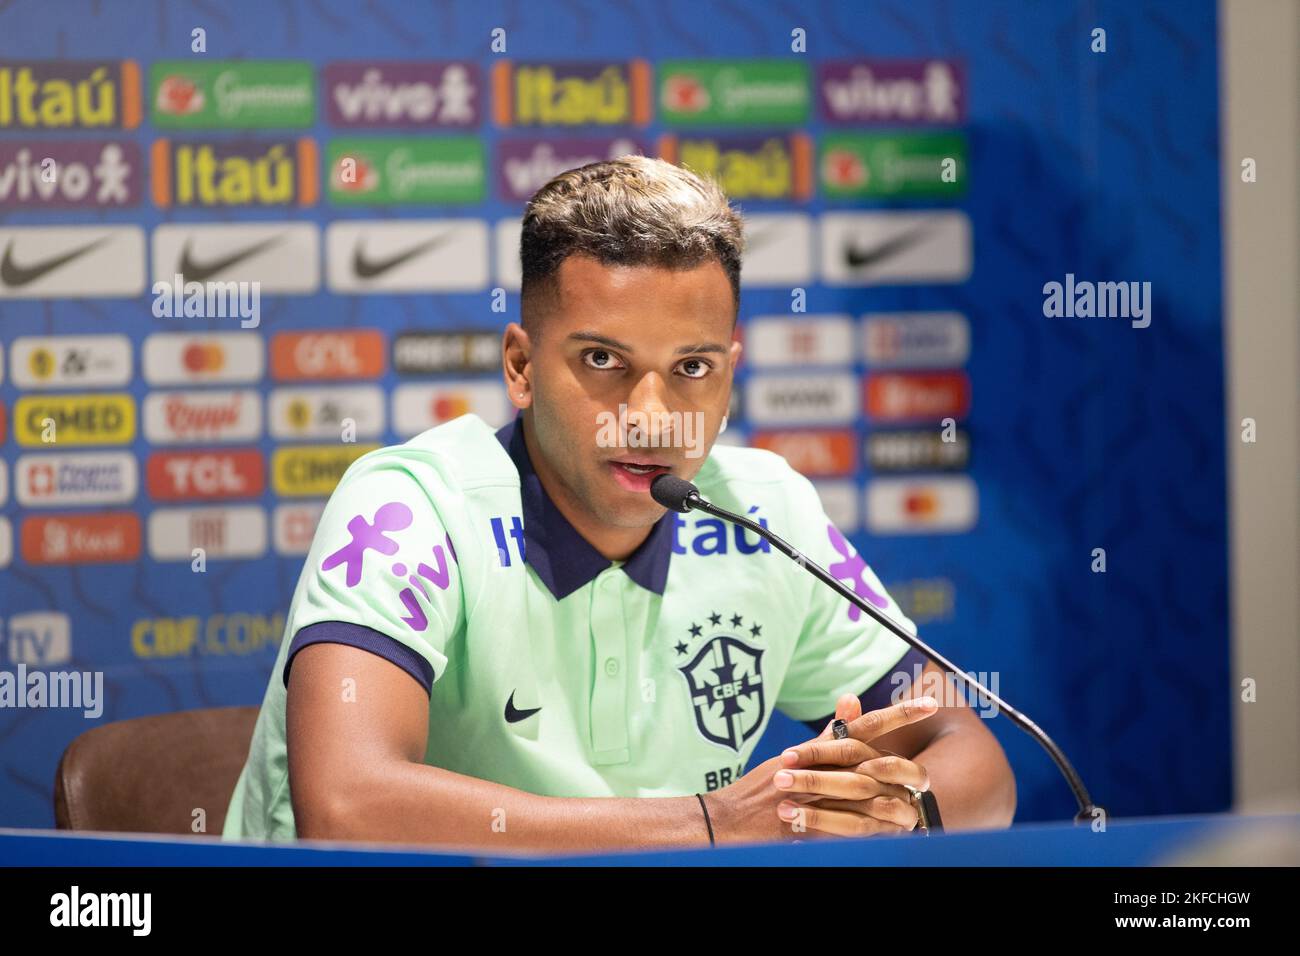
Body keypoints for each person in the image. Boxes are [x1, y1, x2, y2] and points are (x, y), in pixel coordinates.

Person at [222, 155, 1015, 851]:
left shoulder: (767, 514)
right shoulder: (417, 507)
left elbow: (970, 754)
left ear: (733, 370)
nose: (651, 413)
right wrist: (712, 824)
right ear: (522, 366)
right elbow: (348, 805)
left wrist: (881, 808)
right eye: (603, 359)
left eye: (693, 367)